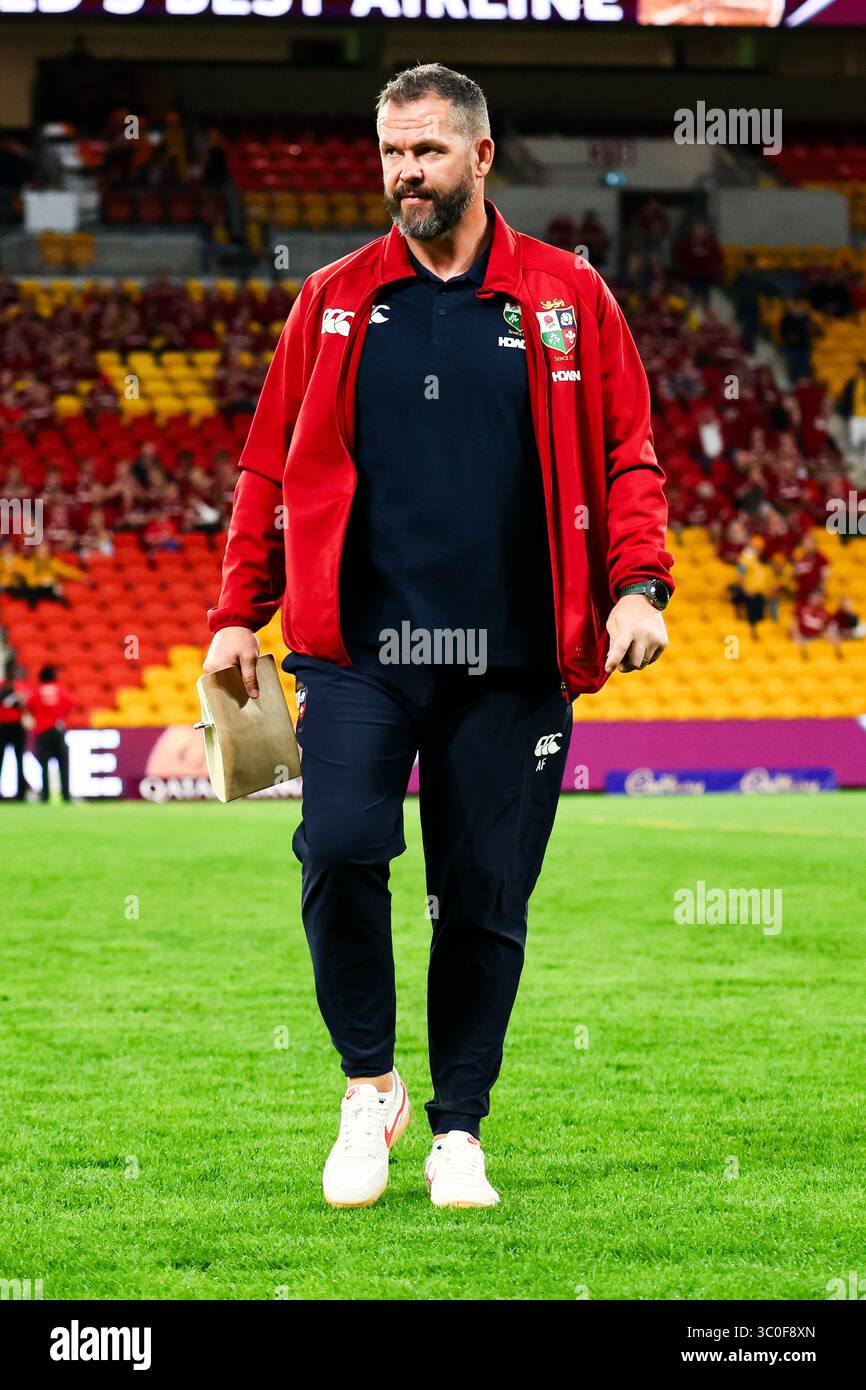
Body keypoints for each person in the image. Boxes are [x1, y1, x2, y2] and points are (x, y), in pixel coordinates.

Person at [203, 64, 674, 1211]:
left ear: (480, 156)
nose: (404, 173)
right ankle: (370, 1087)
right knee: (340, 843)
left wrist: (637, 586)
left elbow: (626, 453)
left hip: (515, 657)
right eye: (390, 153)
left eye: (425, 151)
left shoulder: (565, 296)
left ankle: (458, 1128)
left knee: (481, 897)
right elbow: (267, 469)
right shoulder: (328, 300)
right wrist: (232, 616)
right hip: (358, 648)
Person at [26, 665, 76, 802]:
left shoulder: (37, 693)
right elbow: (70, 704)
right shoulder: (61, 691)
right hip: (58, 730)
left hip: (42, 732)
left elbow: (30, 706)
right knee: (63, 764)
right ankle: (66, 795)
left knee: (44, 766)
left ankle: (45, 795)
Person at [0, 661, 28, 801]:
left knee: (19, 760)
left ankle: (21, 793)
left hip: (16, 726)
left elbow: (27, 703)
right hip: (2, 725)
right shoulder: (2, 685)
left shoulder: (20, 686)